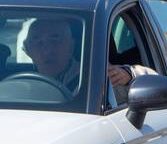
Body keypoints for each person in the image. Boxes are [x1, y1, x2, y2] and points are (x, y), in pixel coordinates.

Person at [23, 15, 155, 101]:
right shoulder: (15, 87)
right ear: (27, 50)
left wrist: (129, 76)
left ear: (71, 46)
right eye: (37, 42)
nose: (47, 50)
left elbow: (154, 82)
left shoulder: (96, 77)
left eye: (55, 39)